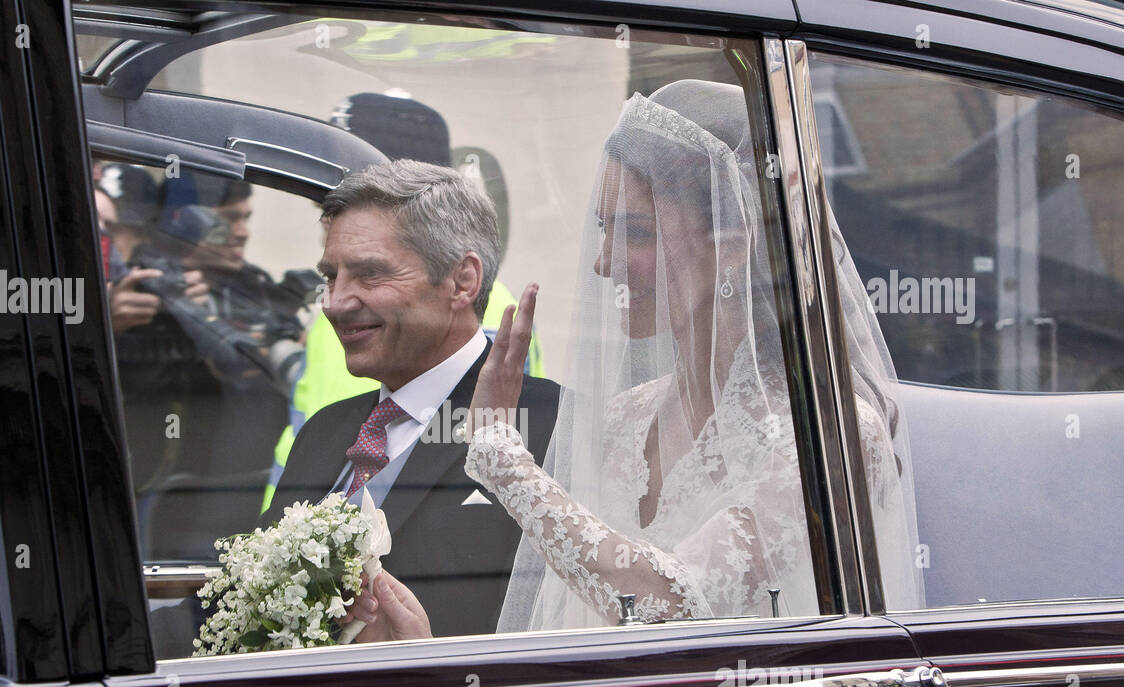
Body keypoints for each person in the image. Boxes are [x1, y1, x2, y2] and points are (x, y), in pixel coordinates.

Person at [347, 80, 923, 637]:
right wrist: (425, 654)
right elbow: (569, 624)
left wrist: (503, 458)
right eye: (606, 231)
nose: (606, 263)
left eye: (637, 234)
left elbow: (670, 605)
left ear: (733, 244)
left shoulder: (830, 437)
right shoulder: (626, 417)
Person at [264, 159, 559, 641]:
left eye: (370, 275)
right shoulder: (323, 432)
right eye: (331, 277)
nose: (335, 303)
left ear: (463, 281)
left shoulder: (549, 428)